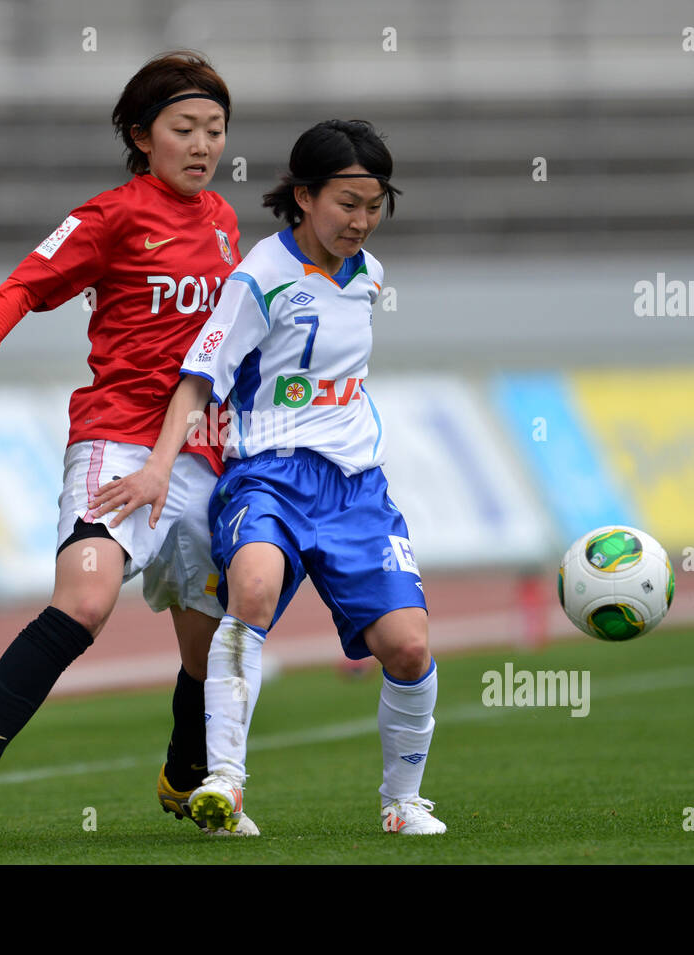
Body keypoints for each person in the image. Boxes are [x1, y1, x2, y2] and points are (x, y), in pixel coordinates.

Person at [0, 50, 259, 846]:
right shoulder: (111, 217)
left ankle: (183, 772)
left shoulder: (226, 222)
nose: (204, 145)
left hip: (203, 454)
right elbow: (23, 287)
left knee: (210, 643)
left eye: (216, 130)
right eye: (185, 129)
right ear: (142, 135)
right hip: (119, 439)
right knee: (87, 601)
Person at [91, 119, 446, 835]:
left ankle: (403, 802)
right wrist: (159, 466)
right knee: (250, 590)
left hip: (356, 489)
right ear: (305, 196)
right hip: (267, 478)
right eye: (347, 203)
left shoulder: (369, 277)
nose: (361, 221)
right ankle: (224, 784)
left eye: (374, 206)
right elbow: (197, 379)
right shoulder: (260, 276)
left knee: (409, 646)